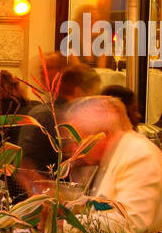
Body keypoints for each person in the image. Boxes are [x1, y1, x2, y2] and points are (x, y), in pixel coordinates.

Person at [65, 95, 162, 233]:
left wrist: (64, 225)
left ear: (103, 134)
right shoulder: (116, 154)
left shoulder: (139, 156)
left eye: (77, 139)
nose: (74, 148)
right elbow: (104, 207)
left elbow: (130, 223)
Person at [16, 63, 101, 191]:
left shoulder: (39, 110)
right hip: (47, 195)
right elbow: (80, 158)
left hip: (25, 190)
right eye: (93, 96)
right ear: (80, 92)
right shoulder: (62, 117)